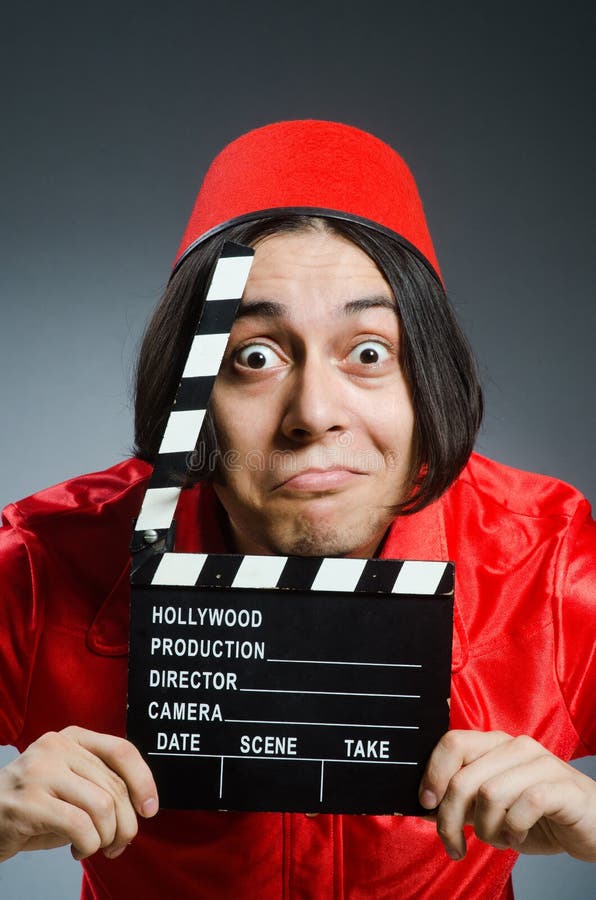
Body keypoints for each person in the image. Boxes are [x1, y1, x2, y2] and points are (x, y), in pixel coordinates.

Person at [0, 119, 594, 899]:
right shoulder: (41, 563)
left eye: (369, 353)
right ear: (188, 391)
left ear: (428, 382)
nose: (314, 413)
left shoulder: (552, 563)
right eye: (255, 357)